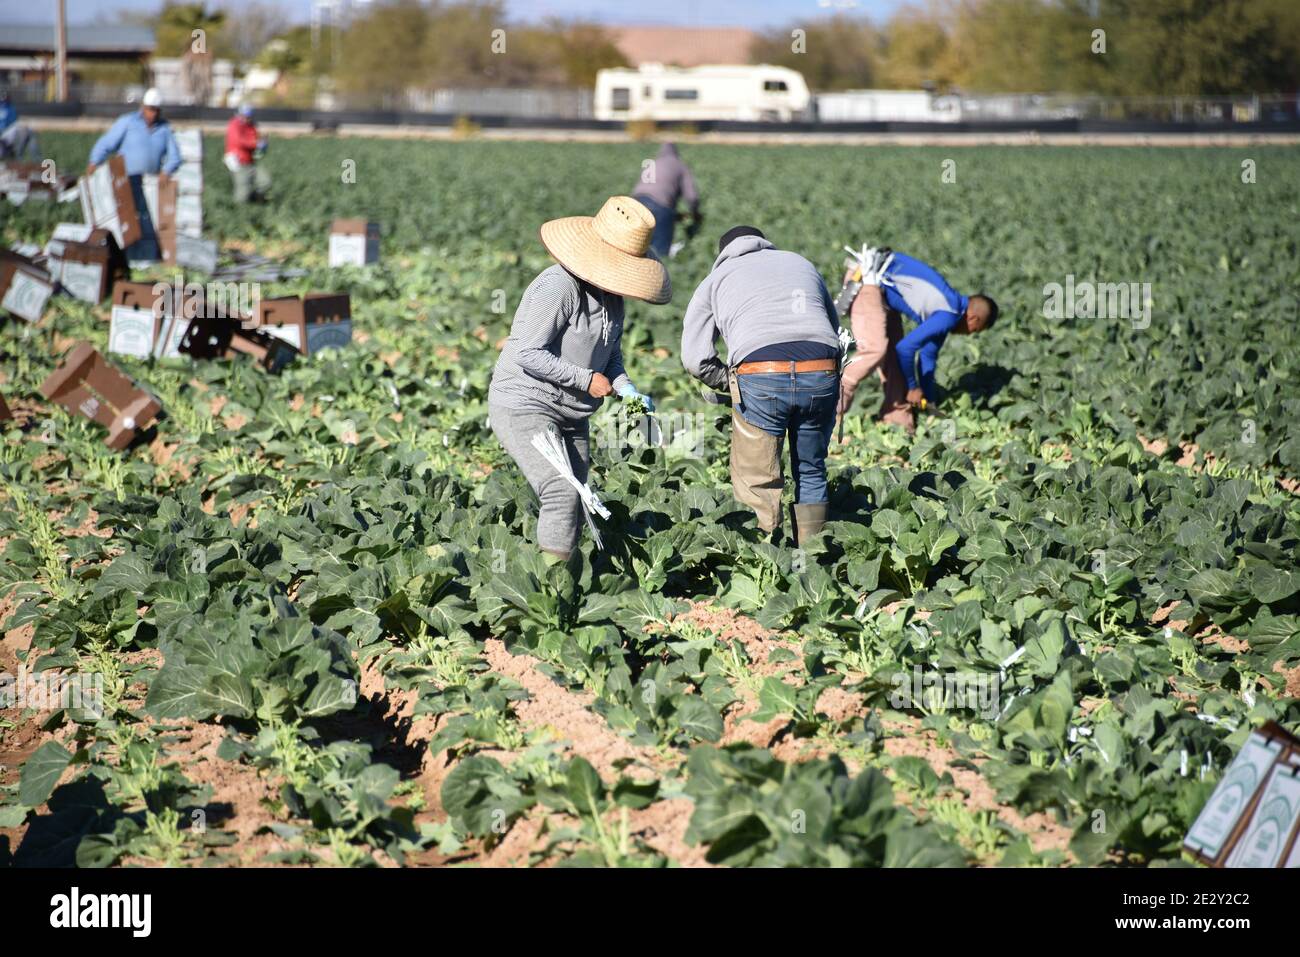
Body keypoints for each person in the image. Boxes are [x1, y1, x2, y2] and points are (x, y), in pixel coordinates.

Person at [489, 196, 668, 563]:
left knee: (579, 492)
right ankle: (550, 604)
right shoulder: (558, 288)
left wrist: (624, 388)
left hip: (572, 413)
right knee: (561, 491)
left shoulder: (613, 299)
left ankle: (566, 583)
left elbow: (610, 354)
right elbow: (526, 352)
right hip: (526, 403)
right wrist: (585, 379)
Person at [681, 226, 841, 545]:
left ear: (722, 253)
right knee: (811, 468)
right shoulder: (800, 263)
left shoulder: (717, 278)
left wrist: (728, 381)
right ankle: (811, 557)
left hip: (760, 371)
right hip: (820, 370)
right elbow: (832, 327)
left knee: (758, 476)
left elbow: (695, 358)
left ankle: (766, 555)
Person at [837, 247, 998, 433]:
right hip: (867, 280)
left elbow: (927, 359)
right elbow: (905, 348)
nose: (969, 334)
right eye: (974, 331)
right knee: (875, 349)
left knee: (894, 362)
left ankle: (897, 423)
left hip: (883, 295)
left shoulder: (948, 313)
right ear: (973, 319)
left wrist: (929, 402)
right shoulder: (949, 313)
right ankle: (828, 409)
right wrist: (913, 387)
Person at [87, 88, 182, 263]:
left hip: (150, 185)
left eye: (155, 110)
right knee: (126, 220)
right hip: (126, 181)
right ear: (142, 107)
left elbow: (175, 156)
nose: (151, 114)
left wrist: (166, 171)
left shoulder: (165, 129)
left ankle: (145, 258)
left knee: (147, 221)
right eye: (149, 109)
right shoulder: (127, 122)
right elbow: (107, 143)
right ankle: (124, 257)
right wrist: (95, 162)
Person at [631, 142, 701, 259]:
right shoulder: (679, 165)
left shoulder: (652, 163)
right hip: (660, 204)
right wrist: (695, 212)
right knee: (659, 253)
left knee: (637, 248)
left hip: (635, 203)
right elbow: (692, 196)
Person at [224, 102, 270, 203]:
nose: (247, 118)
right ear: (239, 114)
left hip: (250, 162)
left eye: (249, 116)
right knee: (242, 195)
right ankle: (239, 209)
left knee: (265, 182)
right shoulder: (234, 124)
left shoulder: (251, 126)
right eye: (244, 116)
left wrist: (263, 145)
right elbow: (239, 141)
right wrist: (256, 143)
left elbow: (255, 141)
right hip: (238, 162)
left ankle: (254, 198)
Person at [0, 91, 40, 162]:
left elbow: (12, 122)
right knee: (26, 132)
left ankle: (32, 160)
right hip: (6, 134)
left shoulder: (10, 108)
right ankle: (32, 159)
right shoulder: (10, 108)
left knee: (27, 131)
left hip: (8, 133)